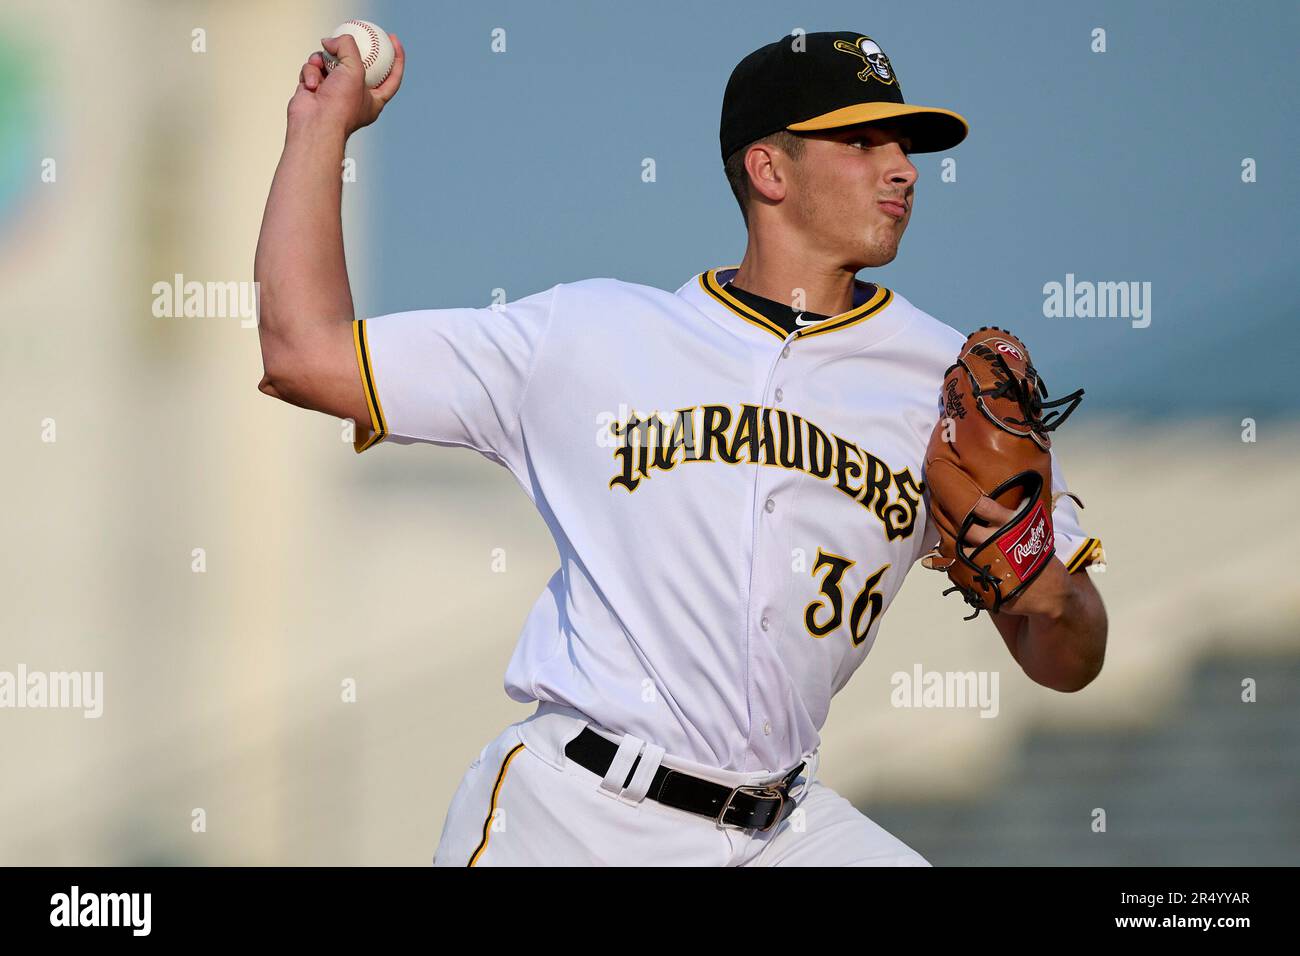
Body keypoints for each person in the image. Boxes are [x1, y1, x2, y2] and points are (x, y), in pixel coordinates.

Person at [254, 29, 1108, 866]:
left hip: (784, 825)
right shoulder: (588, 337)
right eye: (861, 140)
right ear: (769, 170)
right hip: (575, 818)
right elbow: (303, 352)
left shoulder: (949, 384)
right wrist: (318, 131)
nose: (903, 168)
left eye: (906, 145)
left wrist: (1049, 592)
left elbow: (1069, 661)